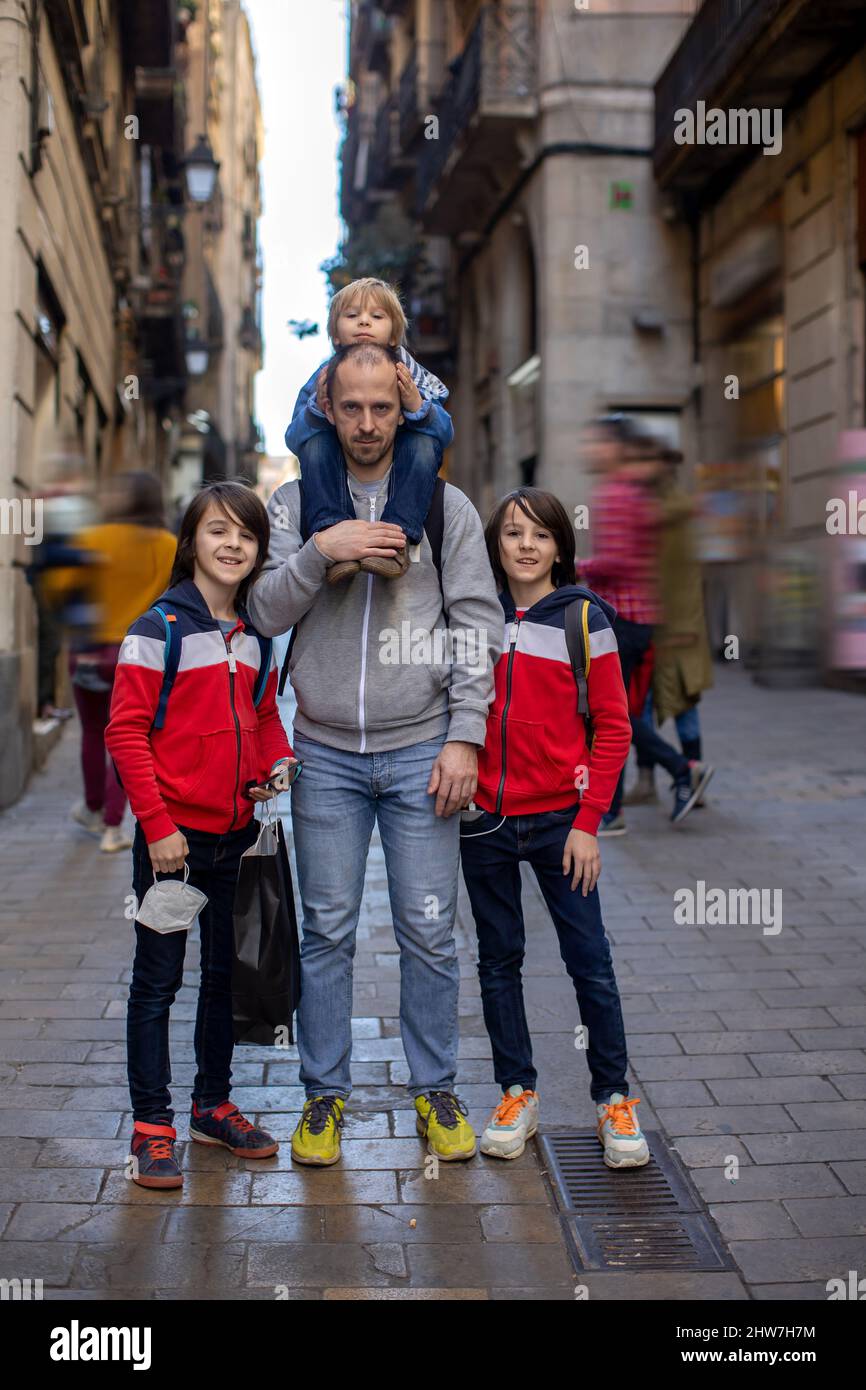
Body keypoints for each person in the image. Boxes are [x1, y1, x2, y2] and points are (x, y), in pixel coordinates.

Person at [248, 340, 502, 1167]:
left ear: (405, 407)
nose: (365, 424)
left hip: (421, 746)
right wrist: (324, 553)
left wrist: (466, 734)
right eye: (350, 408)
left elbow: (475, 623)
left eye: (381, 408)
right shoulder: (294, 503)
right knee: (326, 931)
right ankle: (324, 1098)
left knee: (430, 934)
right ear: (328, 407)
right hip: (323, 753)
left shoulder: (442, 505)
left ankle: (436, 1089)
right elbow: (264, 610)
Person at [105, 481, 298, 1190]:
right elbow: (124, 733)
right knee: (157, 985)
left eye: (246, 535)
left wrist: (276, 762)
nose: (232, 544)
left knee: (225, 980)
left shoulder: (256, 637)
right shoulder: (155, 630)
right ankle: (151, 1127)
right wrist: (157, 826)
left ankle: (211, 1105)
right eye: (218, 530)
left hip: (236, 838)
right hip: (173, 845)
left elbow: (266, 714)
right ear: (191, 542)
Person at [459, 487, 649, 1168]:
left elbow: (615, 726)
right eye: (512, 534)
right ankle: (517, 1092)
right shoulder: (472, 616)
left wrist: (589, 821)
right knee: (498, 960)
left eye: (540, 534)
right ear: (495, 545)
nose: (526, 545)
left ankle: (613, 1099)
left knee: (589, 962)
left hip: (559, 823)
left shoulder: (584, 619)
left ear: (560, 547)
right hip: (483, 820)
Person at [578, 417, 712, 834]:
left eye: (597, 443)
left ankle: (682, 768)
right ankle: (615, 809)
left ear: (617, 449)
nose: (591, 449)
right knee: (616, 713)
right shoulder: (633, 493)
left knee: (611, 715)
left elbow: (617, 563)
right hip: (641, 620)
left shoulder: (616, 494)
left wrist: (575, 567)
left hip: (625, 621)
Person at [285, 277, 453, 582]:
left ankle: (394, 541)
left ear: (393, 336)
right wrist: (317, 410)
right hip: (340, 464)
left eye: (377, 316)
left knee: (424, 444)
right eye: (352, 316)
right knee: (315, 444)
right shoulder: (324, 376)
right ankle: (332, 529)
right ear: (336, 335)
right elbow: (293, 438)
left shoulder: (411, 372)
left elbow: (445, 433)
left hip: (399, 463)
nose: (364, 321)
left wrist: (418, 407)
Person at [45, 471, 176, 852]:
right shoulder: (167, 544)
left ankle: (92, 807)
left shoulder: (92, 539)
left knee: (92, 732)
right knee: (130, 738)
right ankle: (113, 826)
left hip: (89, 651)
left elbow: (59, 587)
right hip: (138, 654)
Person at [626, 447, 714, 805]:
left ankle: (691, 778)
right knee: (647, 708)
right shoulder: (654, 510)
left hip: (675, 629)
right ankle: (651, 781)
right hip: (655, 626)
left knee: (679, 708)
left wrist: (682, 627)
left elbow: (684, 578)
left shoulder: (671, 514)